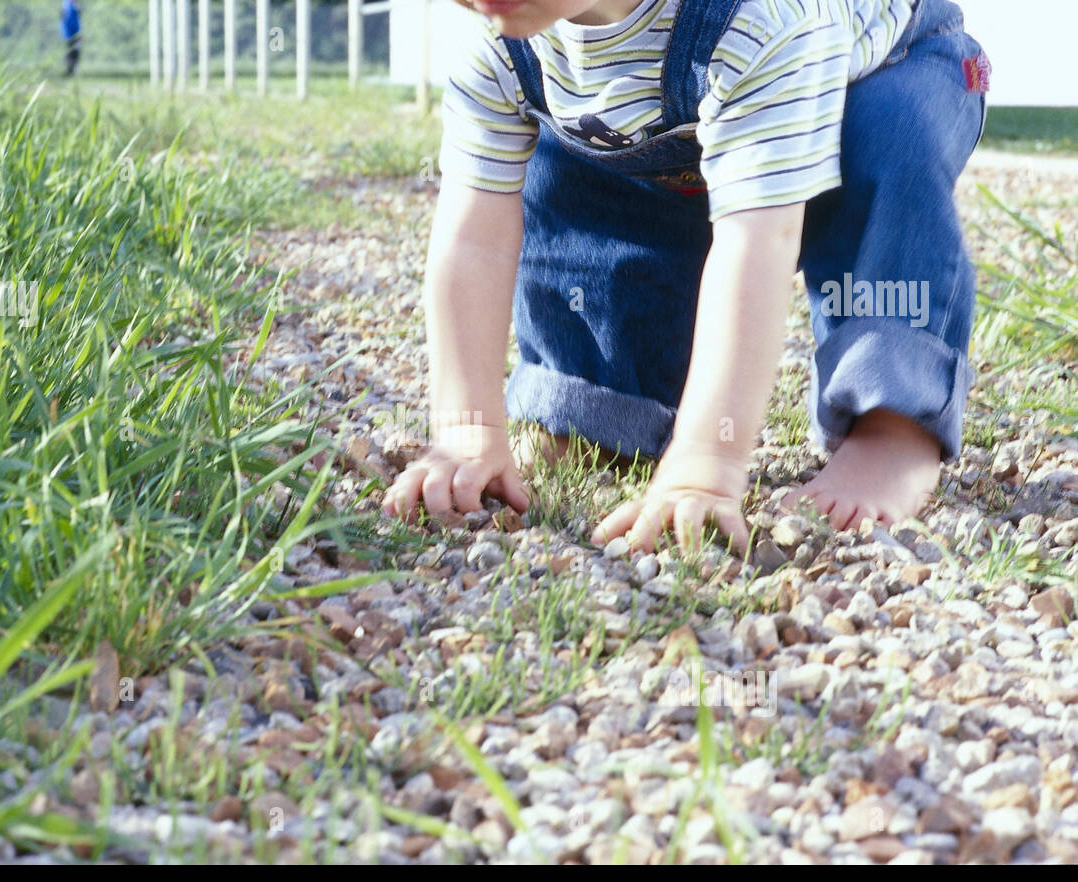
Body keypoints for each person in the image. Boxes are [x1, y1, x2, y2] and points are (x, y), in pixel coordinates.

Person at [382, 0, 990, 553]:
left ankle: (894, 422)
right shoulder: (500, 41)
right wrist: (466, 431)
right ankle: (604, 403)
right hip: (677, 127)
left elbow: (756, 240)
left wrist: (707, 457)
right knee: (574, 159)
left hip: (885, 68)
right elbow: (473, 238)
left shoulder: (760, 19)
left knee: (887, 139)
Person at [61, 0, 82, 77]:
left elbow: (77, 19)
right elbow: (65, 19)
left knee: (75, 51)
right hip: (69, 33)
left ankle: (73, 71)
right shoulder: (67, 4)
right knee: (70, 52)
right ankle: (69, 71)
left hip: (75, 32)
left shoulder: (73, 4)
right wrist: (65, 33)